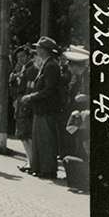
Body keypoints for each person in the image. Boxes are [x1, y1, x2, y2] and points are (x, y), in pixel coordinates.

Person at [19, 36, 63, 179]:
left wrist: (31, 97)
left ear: (45, 50)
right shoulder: (46, 64)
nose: (36, 50)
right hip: (41, 109)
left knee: (46, 141)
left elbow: (49, 90)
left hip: (47, 109)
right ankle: (40, 168)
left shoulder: (51, 66)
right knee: (39, 140)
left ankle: (48, 170)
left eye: (39, 47)